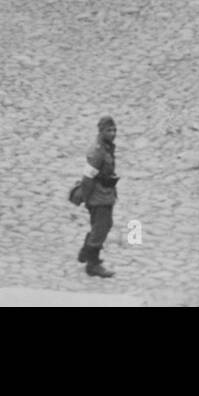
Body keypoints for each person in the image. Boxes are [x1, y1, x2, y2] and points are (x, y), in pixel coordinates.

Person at [77, 116, 118, 279]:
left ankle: (86, 251)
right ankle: (92, 264)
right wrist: (86, 199)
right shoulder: (98, 151)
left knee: (104, 225)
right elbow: (87, 178)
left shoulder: (107, 148)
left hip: (106, 194)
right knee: (101, 227)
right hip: (97, 196)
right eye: (109, 130)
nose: (113, 133)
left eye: (114, 130)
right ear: (101, 131)